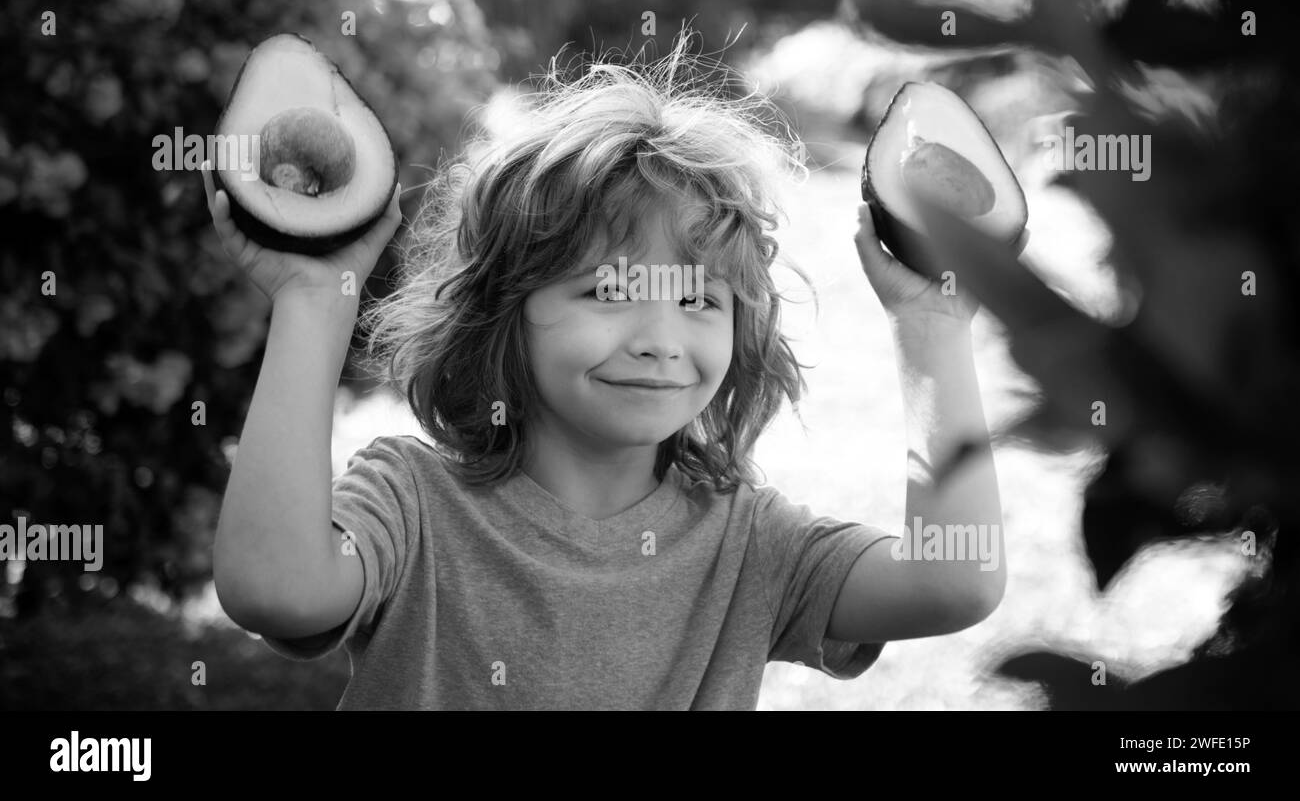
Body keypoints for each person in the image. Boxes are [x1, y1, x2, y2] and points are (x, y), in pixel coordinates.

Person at [206, 35, 1006, 710]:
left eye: (699, 298)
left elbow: (952, 580)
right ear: (502, 311)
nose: (660, 338)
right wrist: (315, 296)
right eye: (609, 290)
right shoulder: (413, 504)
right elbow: (275, 589)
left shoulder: (751, 544)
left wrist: (930, 326)